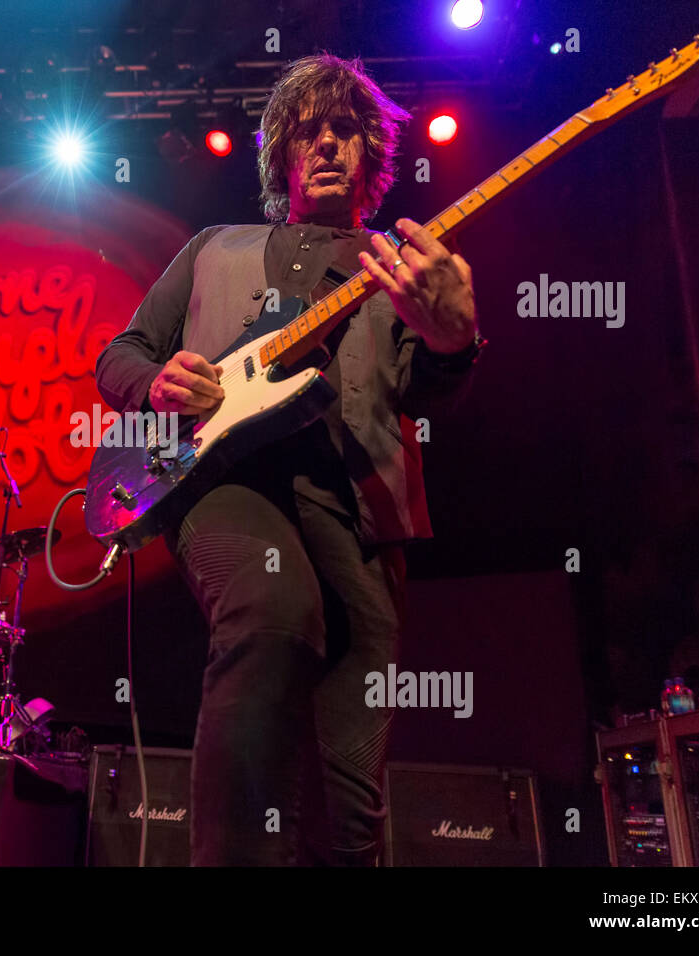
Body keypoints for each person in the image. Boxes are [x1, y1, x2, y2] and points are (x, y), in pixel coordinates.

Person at [95, 54, 481, 865]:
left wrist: (452, 338)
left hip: (361, 521)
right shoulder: (213, 248)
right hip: (226, 486)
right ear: (282, 155)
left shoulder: (397, 266)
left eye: (345, 129)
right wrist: (159, 382)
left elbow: (423, 391)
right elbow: (122, 355)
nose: (329, 143)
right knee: (272, 617)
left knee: (348, 800)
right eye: (309, 131)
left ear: (373, 154)